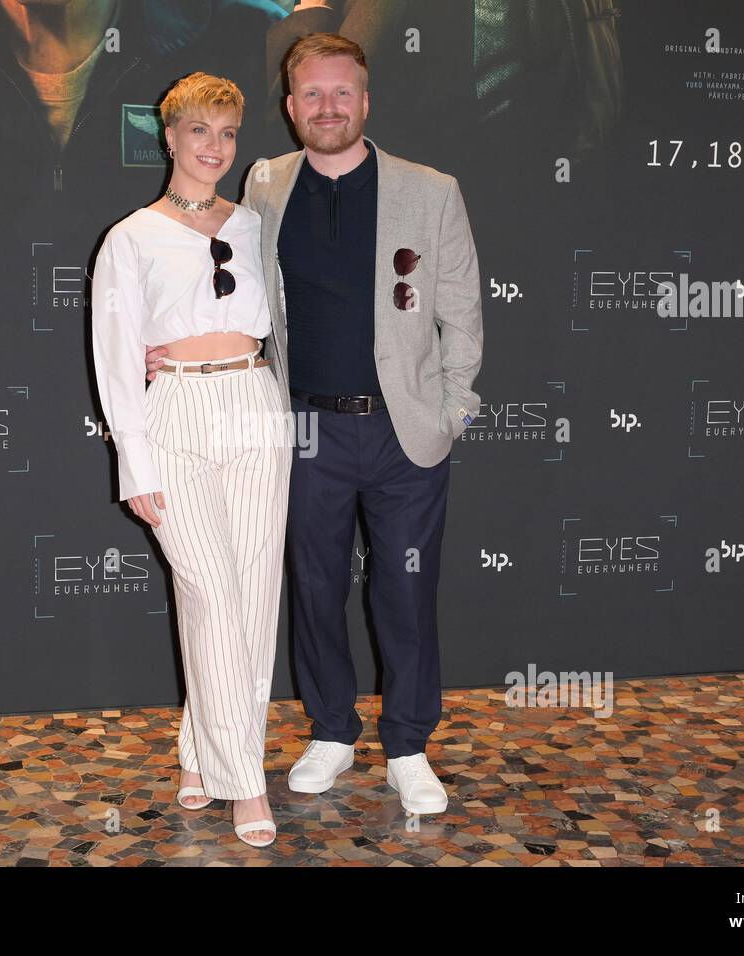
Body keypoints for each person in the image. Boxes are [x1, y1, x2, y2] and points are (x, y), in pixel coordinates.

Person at [145, 33, 484, 817]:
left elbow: (463, 317)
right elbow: (207, 273)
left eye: (342, 93)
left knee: (405, 593)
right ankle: (332, 730)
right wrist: (165, 350)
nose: (327, 107)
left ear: (364, 102)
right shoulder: (265, 187)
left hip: (406, 436)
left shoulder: (430, 190)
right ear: (291, 106)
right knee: (314, 590)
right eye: (311, 95)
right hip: (299, 432)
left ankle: (407, 744)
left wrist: (452, 416)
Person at [90, 71, 291, 848]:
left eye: (228, 133)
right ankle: (246, 781)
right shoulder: (130, 237)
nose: (214, 147)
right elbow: (114, 358)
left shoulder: (256, 224)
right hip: (175, 413)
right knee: (209, 594)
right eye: (199, 131)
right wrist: (134, 465)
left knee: (251, 600)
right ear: (168, 137)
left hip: (255, 406)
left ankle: (203, 756)